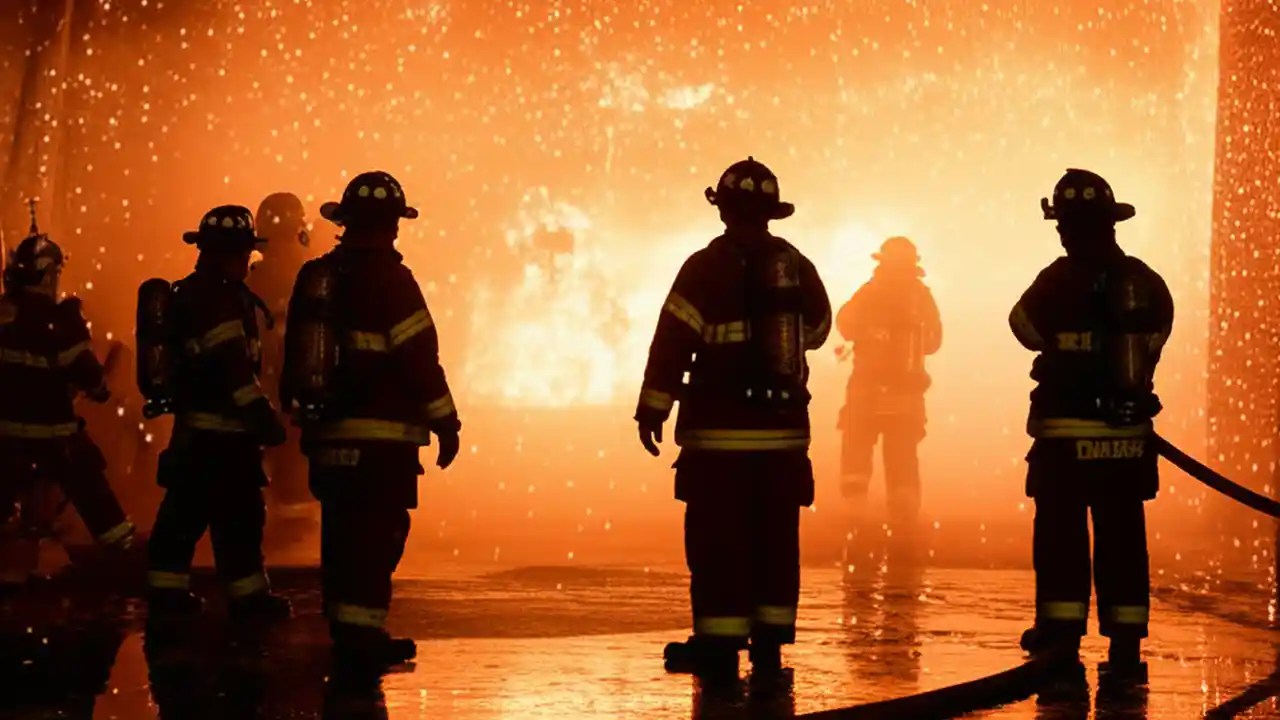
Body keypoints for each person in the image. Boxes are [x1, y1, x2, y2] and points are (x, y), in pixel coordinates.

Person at [636, 157, 831, 679]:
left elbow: (671, 342)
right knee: (775, 539)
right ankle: (769, 644)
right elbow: (817, 330)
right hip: (782, 435)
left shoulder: (702, 267)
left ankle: (719, 646)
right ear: (772, 212)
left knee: (718, 541)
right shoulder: (795, 265)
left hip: (717, 436)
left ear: (722, 210)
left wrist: (653, 406)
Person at [283, 170, 460, 667]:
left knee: (341, 534)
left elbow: (291, 353)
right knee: (378, 537)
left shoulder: (318, 277)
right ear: (392, 226)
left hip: (327, 436)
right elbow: (421, 360)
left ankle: (347, 630)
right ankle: (362, 637)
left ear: (344, 222)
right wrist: (447, 422)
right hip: (383, 444)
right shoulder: (394, 281)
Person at [1010, 169, 1174, 674]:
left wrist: (1071, 346)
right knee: (1123, 537)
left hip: (1063, 437)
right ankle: (1125, 643)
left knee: (1061, 537)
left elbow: (1023, 328)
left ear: (1065, 228)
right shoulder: (1143, 281)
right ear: (1111, 223)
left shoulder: (1054, 279)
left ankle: (1061, 634)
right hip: (1124, 440)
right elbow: (1157, 337)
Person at [141, 205, 291, 621]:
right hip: (223, 441)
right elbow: (233, 370)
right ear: (231, 254)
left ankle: (171, 598)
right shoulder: (217, 300)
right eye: (245, 254)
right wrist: (264, 418)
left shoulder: (195, 293)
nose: (249, 261)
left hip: (196, 439)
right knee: (237, 523)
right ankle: (247, 604)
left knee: (186, 522)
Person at [0, 203, 138, 590]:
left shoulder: (3, 315)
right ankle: (129, 569)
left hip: (7, 441)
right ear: (48, 274)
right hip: (56, 440)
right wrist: (101, 386)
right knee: (100, 504)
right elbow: (91, 380)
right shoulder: (61, 321)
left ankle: (17, 567)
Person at [836, 236, 941, 527]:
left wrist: (871, 332)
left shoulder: (869, 293)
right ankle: (903, 522)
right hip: (906, 390)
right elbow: (934, 341)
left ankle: (854, 521)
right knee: (902, 455)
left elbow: (844, 325)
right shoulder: (920, 297)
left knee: (857, 451)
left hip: (865, 389)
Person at [248, 192, 314, 547]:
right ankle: (290, 535)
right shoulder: (312, 280)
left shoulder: (250, 283)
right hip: (291, 398)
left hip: (261, 395)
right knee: (294, 471)